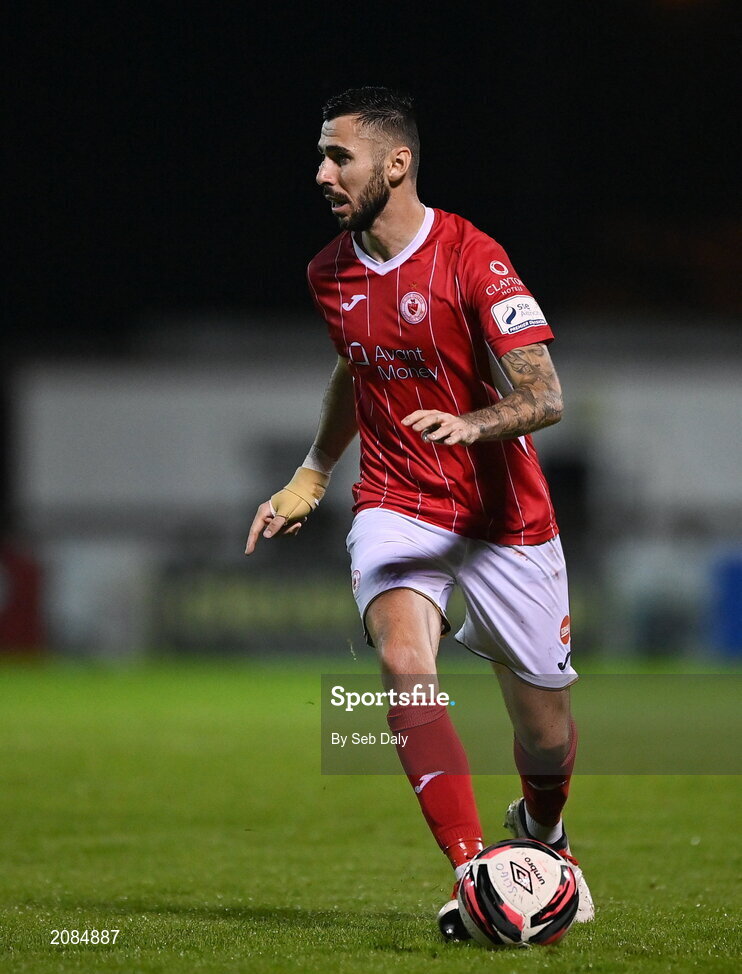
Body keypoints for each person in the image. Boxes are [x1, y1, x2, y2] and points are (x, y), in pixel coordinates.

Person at [246, 86, 594, 939]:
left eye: (340, 157)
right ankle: (476, 867)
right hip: (398, 502)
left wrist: (471, 423)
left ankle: (542, 840)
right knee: (406, 666)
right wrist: (312, 475)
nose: (322, 173)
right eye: (321, 156)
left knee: (545, 737)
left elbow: (547, 394)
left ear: (396, 163)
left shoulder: (473, 257)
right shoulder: (328, 271)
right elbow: (353, 370)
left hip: (503, 512)